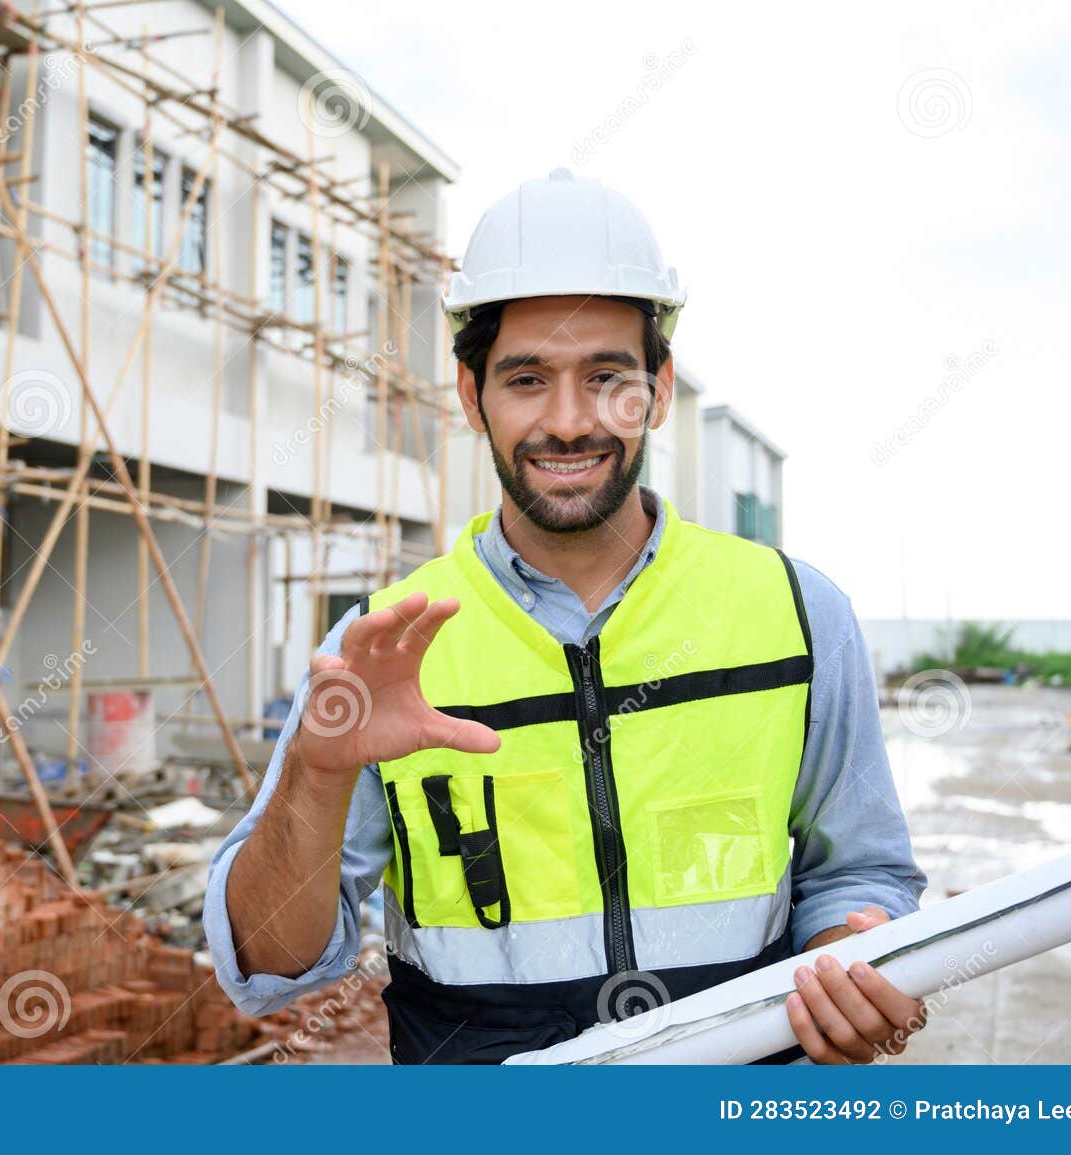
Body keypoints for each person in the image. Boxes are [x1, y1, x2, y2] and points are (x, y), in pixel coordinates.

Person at [206, 169, 927, 1065]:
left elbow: (860, 872)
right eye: (526, 378)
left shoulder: (798, 612)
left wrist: (844, 962)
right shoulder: (382, 643)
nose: (570, 419)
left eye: (608, 376)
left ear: (659, 389)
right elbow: (270, 969)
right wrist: (314, 778)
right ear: (473, 398)